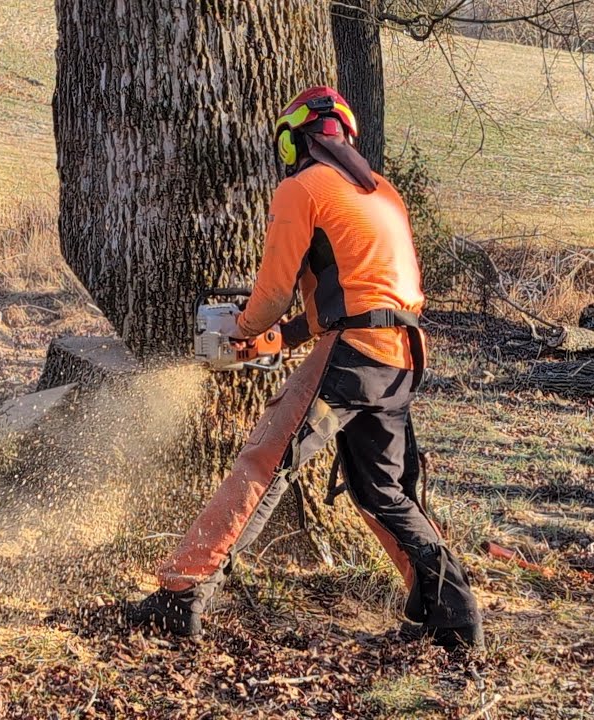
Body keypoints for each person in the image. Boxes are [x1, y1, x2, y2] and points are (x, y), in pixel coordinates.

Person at [128, 86, 482, 650]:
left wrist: (239, 331)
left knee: (262, 464)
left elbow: (270, 296)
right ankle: (455, 615)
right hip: (401, 355)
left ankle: (182, 593)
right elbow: (352, 299)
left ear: (294, 141)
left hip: (351, 356)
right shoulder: (383, 192)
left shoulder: (300, 188)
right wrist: (277, 338)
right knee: (382, 492)